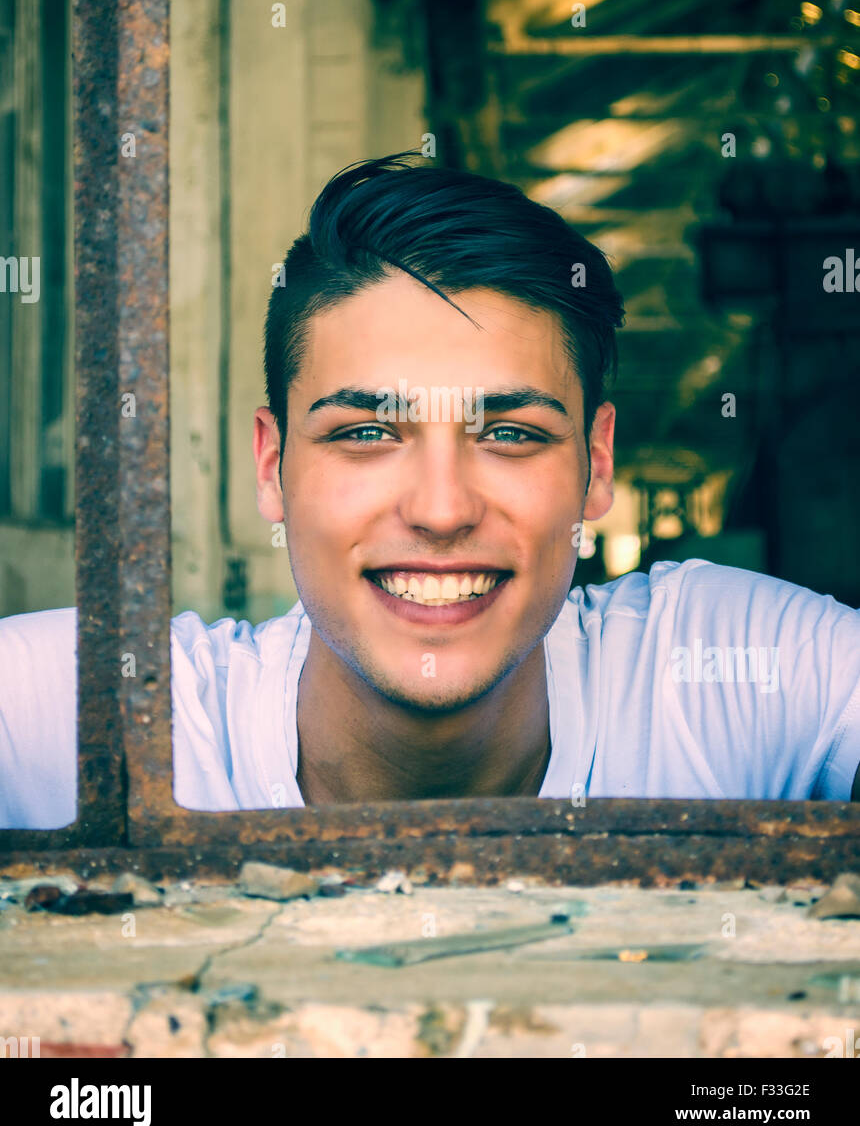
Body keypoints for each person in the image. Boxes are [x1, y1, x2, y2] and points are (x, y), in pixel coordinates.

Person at [1, 152, 858, 827]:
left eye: (512, 434)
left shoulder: (725, 676)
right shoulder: (104, 714)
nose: (442, 510)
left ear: (596, 468)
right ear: (273, 467)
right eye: (366, 434)